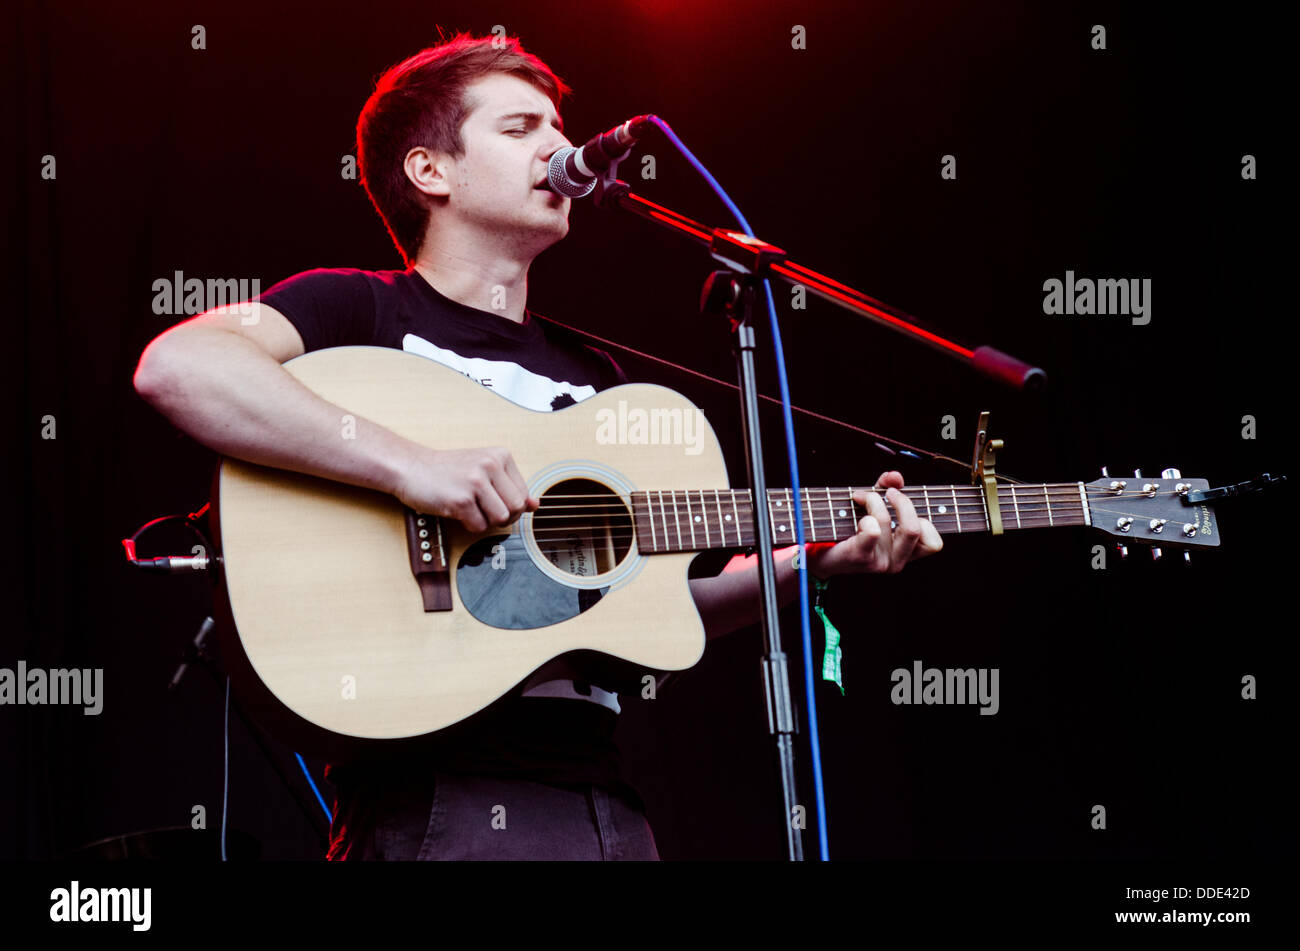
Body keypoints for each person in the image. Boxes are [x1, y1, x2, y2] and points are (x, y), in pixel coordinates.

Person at [132, 32, 943, 861]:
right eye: (520, 129)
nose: (560, 147)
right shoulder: (357, 314)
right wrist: (412, 466)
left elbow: (644, 610)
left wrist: (811, 559)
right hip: (436, 803)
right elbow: (180, 366)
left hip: (603, 805)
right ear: (431, 171)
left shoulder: (596, 379)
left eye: (559, 127)